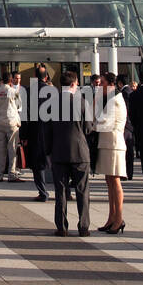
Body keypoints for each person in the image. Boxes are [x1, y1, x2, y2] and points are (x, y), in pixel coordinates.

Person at [42, 70, 93, 236]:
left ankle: (61, 227)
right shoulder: (83, 102)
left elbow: (46, 131)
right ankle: (83, 227)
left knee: (61, 191)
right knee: (82, 191)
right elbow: (88, 128)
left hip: (58, 152)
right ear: (74, 83)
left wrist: (48, 151)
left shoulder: (51, 103)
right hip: (80, 152)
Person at [94, 72, 128, 233]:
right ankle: (112, 217)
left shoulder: (115, 100)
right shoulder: (110, 99)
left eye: (102, 83)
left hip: (113, 144)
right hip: (108, 143)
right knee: (110, 182)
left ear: (110, 84)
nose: (99, 86)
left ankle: (118, 218)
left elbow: (103, 122)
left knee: (115, 182)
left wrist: (89, 123)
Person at [0, 73, 22, 181]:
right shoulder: (14, 92)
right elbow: (19, 107)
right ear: (11, 81)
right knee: (12, 149)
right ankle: (12, 173)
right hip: (11, 121)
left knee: (0, 150)